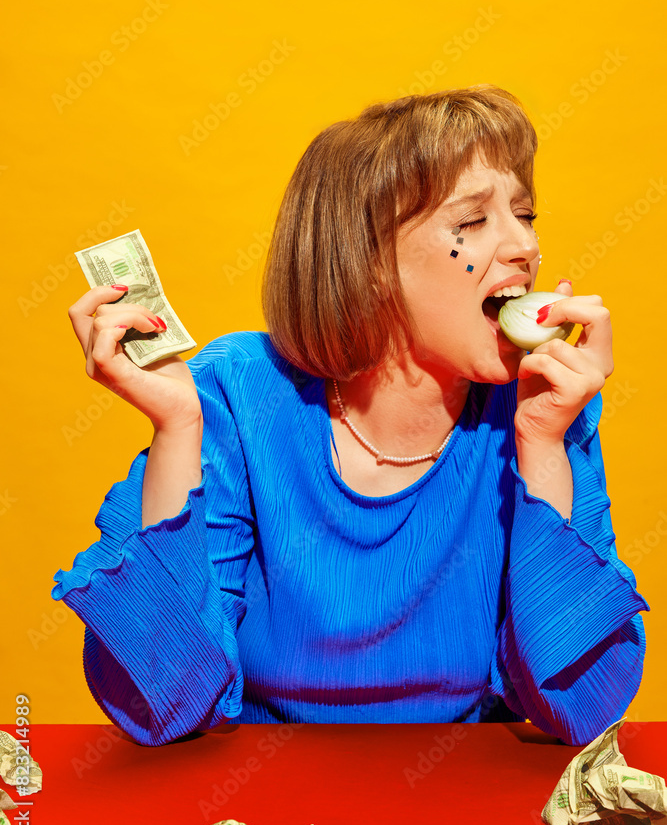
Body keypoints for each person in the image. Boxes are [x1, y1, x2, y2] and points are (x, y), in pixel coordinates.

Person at [52, 85, 649, 748]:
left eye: (525, 214)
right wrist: (175, 429)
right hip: (264, 804)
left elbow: (577, 710)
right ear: (367, 264)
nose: (523, 249)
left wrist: (541, 444)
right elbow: (167, 705)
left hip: (458, 800)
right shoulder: (240, 393)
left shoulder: (538, 406)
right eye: (473, 223)